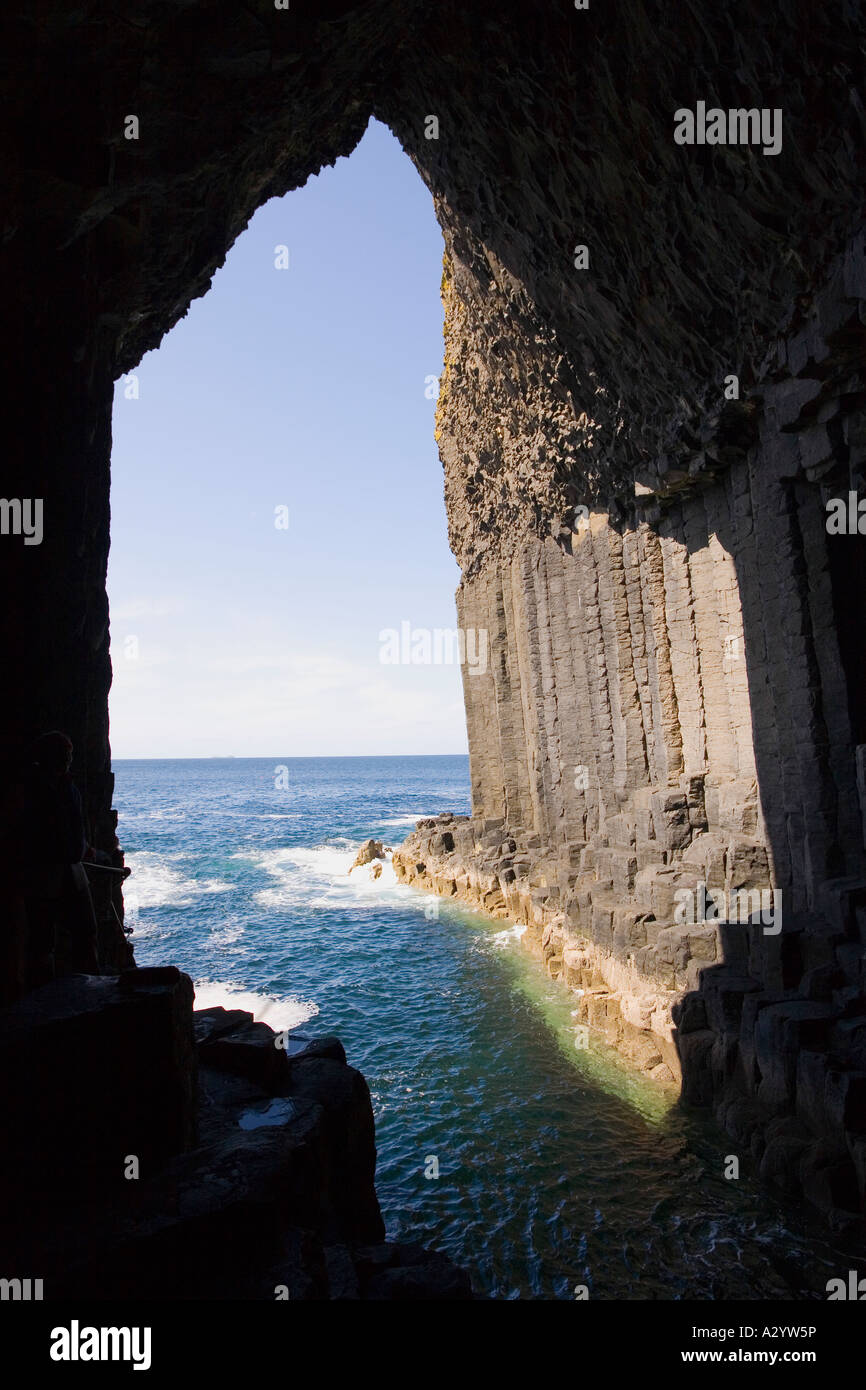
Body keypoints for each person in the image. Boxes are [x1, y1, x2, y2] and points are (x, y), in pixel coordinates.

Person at [12, 731, 101, 987]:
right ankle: (45, 996)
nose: (67, 760)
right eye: (63, 755)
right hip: (45, 873)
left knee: (85, 933)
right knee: (43, 941)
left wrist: (83, 848)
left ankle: (89, 989)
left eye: (69, 755)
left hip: (70, 871)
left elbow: (73, 827)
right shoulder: (32, 790)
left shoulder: (66, 788)